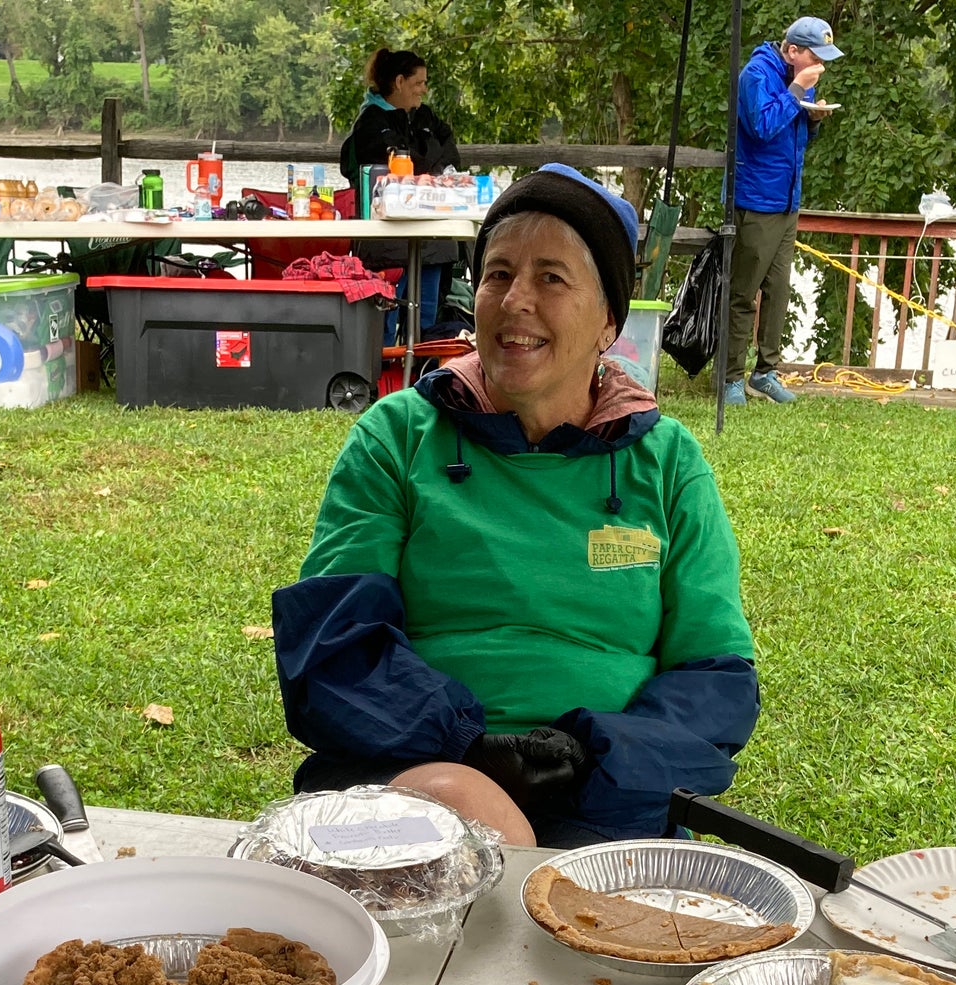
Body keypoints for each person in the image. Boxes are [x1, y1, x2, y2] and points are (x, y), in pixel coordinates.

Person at [271, 165, 758, 849]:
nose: (514, 300)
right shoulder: (397, 436)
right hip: (406, 768)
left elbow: (717, 682)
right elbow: (333, 647)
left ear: (608, 323)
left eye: (551, 278)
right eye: (498, 275)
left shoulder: (668, 462)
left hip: (606, 797)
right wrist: (467, 744)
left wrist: (593, 753)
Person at [724, 15, 841, 407]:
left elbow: (791, 135)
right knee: (744, 293)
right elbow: (760, 127)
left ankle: (765, 373)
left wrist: (813, 118)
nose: (820, 66)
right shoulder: (756, 75)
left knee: (779, 290)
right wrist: (795, 91)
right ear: (792, 51)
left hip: (787, 200)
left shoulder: (797, 78)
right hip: (755, 200)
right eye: (815, 57)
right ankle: (729, 378)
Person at [338, 49, 462, 343]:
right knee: (385, 312)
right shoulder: (371, 121)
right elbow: (400, 164)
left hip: (432, 233)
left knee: (426, 316)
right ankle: (378, 377)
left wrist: (424, 161)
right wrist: (428, 162)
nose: (424, 89)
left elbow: (452, 154)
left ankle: (421, 373)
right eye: (418, 82)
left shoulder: (426, 115)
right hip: (387, 237)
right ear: (399, 82)